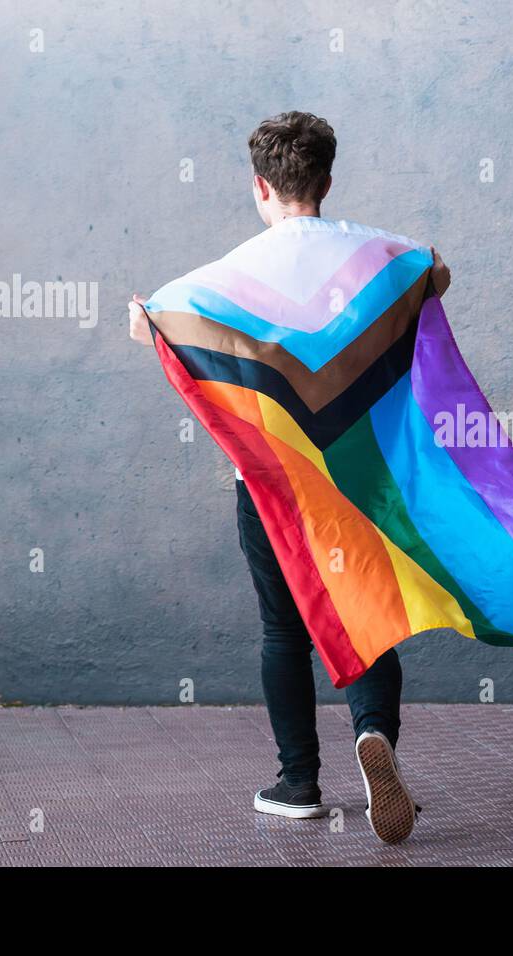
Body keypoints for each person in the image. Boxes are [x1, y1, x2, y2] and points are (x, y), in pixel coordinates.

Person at [128, 111, 449, 844]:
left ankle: (298, 783)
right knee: (367, 608)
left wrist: (145, 323)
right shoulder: (385, 256)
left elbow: (160, 323)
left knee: (284, 629)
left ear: (259, 186)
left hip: (269, 482)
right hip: (358, 478)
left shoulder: (221, 278)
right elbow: (435, 275)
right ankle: (375, 737)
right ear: (328, 182)